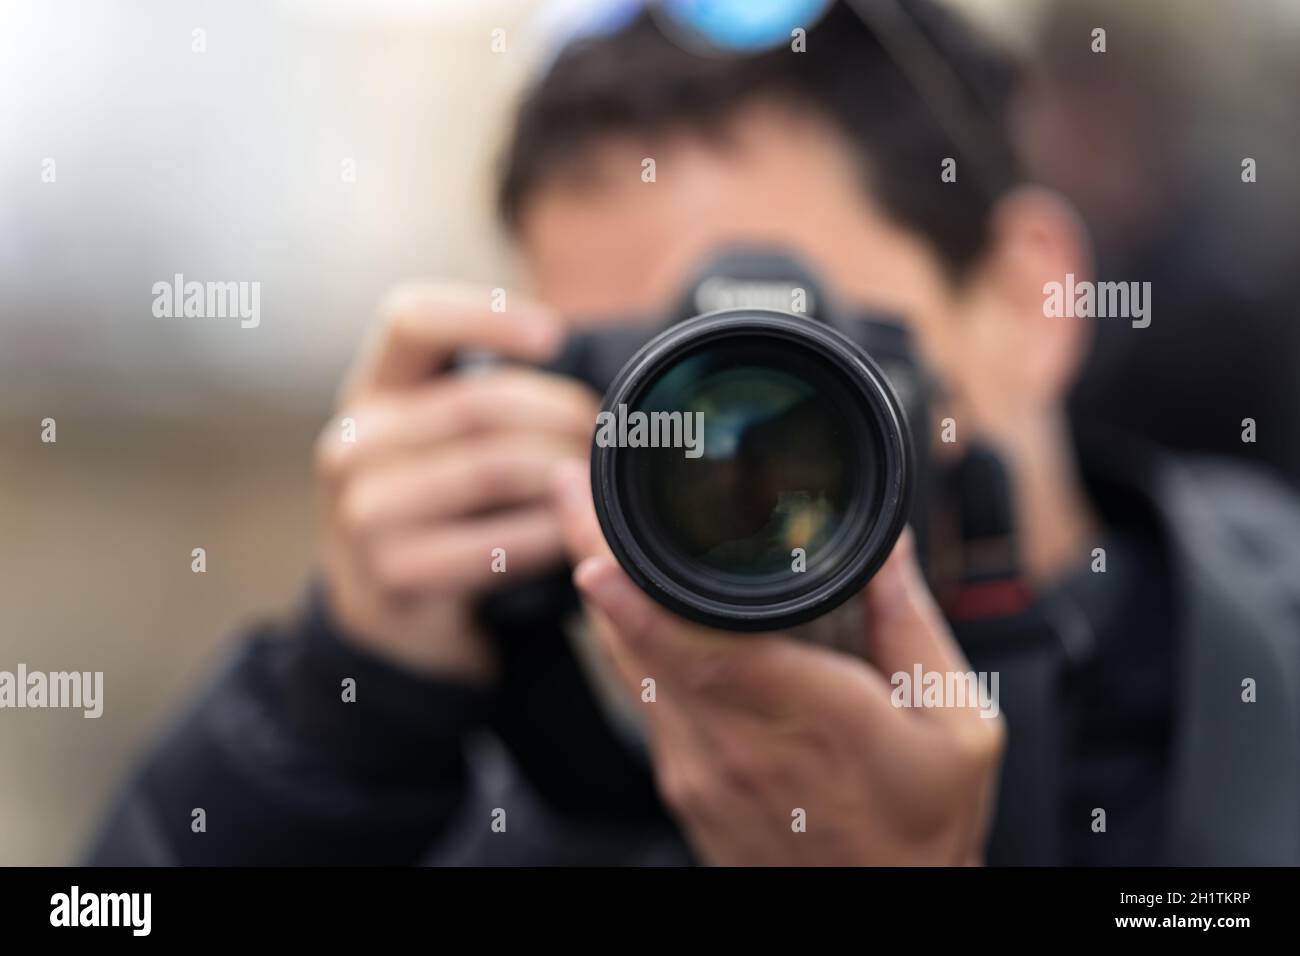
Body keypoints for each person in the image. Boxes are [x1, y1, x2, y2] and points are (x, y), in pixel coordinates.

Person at [85, 0, 1300, 866]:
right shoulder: (533, 757)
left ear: (1034, 304)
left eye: (798, 361)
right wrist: (336, 717)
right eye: (642, 393)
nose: (716, 466)